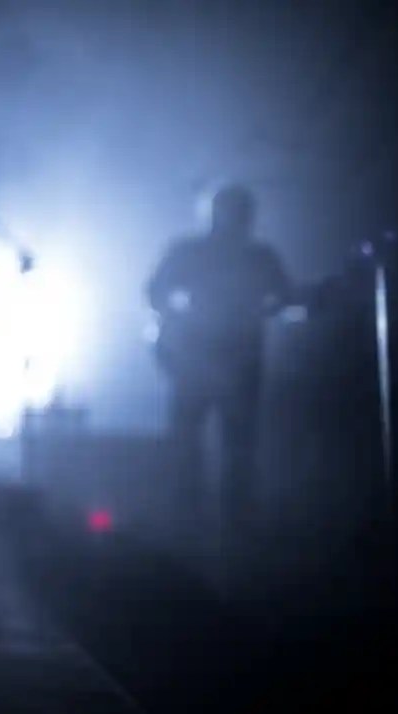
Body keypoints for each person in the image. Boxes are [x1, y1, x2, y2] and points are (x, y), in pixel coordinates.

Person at [147, 184, 291, 538]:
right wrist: (174, 324)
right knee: (201, 445)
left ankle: (215, 527)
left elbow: (283, 297)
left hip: (224, 358)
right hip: (206, 358)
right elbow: (154, 292)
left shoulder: (251, 255)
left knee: (226, 446)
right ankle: (201, 526)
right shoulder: (248, 255)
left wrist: (173, 324)